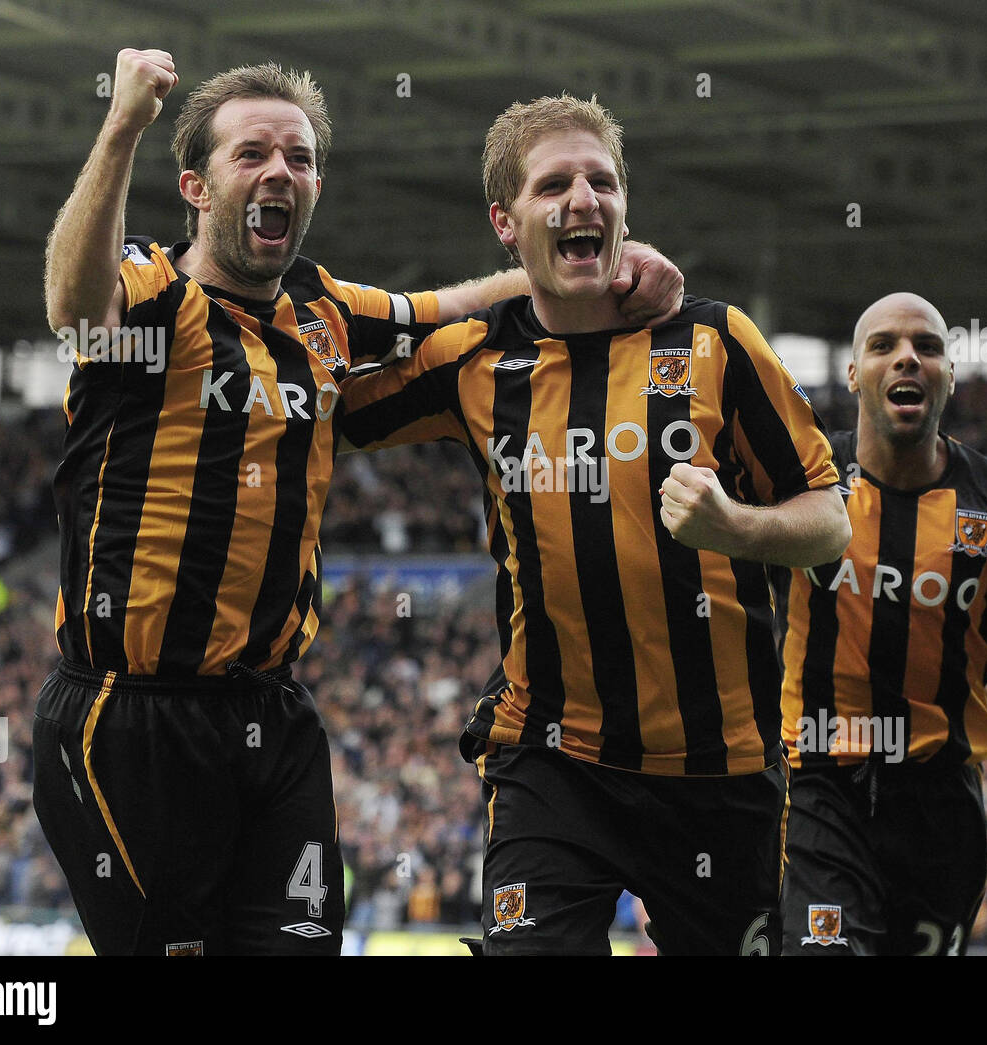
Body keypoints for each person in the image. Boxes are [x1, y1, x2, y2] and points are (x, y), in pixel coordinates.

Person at [34, 49, 681, 956]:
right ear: (195, 184)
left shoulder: (321, 310)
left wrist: (603, 266)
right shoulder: (149, 295)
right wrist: (122, 126)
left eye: (299, 159)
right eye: (252, 154)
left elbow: (448, 304)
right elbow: (70, 301)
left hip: (273, 715)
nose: (280, 174)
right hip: (131, 717)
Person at [337, 95, 851, 954]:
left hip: (718, 769)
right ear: (504, 220)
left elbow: (830, 519)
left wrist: (738, 527)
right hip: (553, 758)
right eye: (554, 186)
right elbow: (330, 397)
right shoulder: (472, 356)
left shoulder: (719, 343)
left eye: (602, 182)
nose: (585, 199)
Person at [771, 292, 987, 955]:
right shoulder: (798, 478)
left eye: (929, 347)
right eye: (883, 345)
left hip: (941, 810)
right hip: (822, 783)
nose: (907, 356)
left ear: (948, 373)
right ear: (855, 373)